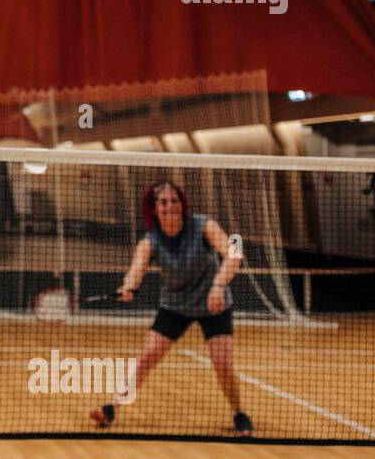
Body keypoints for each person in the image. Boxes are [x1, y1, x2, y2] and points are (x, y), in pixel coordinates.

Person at [90, 180, 254, 436]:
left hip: (213, 303)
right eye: (163, 202)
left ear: (182, 203)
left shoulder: (203, 225)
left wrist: (219, 284)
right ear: (154, 209)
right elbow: (136, 269)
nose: (170, 206)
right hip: (175, 306)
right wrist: (128, 287)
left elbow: (235, 253)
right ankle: (112, 408)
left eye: (174, 200)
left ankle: (239, 414)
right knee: (146, 359)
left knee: (222, 362)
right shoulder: (151, 241)